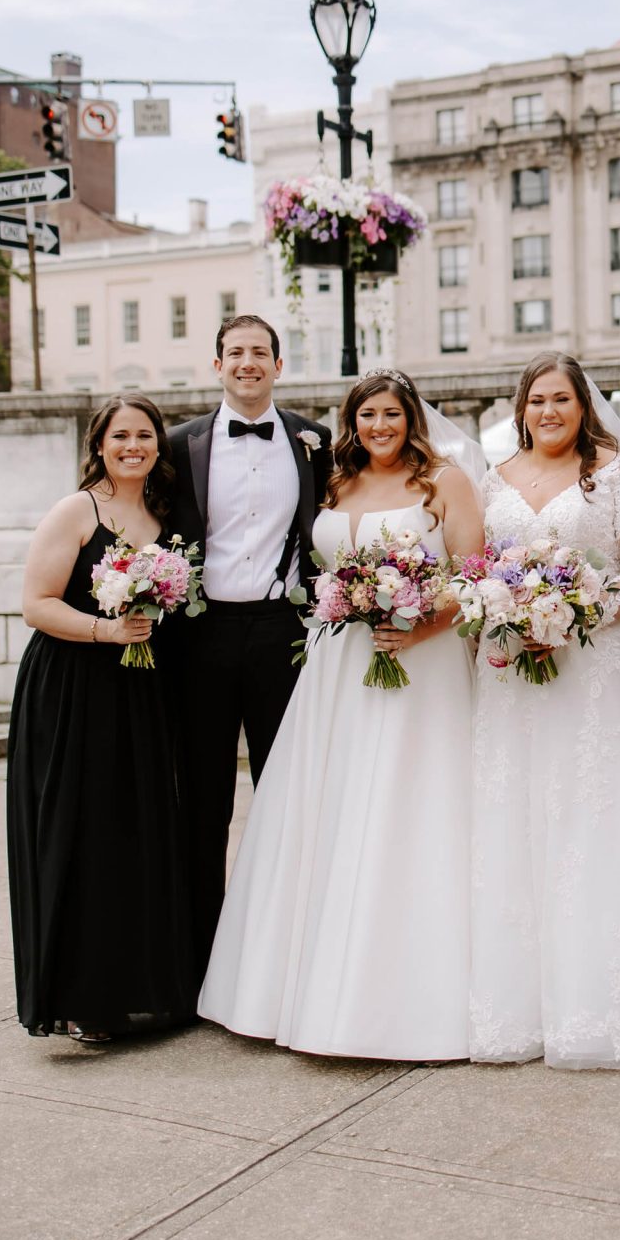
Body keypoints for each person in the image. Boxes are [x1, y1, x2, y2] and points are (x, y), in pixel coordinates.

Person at [198, 369, 485, 1060]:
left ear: (410, 417)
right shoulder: (332, 481)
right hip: (335, 669)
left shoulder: (444, 481)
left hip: (424, 665)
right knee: (328, 810)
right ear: (350, 422)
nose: (378, 427)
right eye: (366, 416)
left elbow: (475, 573)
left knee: (408, 811)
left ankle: (403, 997)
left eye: (390, 414)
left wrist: (417, 625)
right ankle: (296, 986)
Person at [470, 353, 620, 1071]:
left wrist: (571, 614)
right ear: (520, 408)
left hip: (598, 668)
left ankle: (608, 996)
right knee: (521, 820)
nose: (548, 411)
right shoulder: (496, 478)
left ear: (584, 407)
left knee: (596, 816)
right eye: (537, 400)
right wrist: (511, 616)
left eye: (562, 400)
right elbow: (482, 568)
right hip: (516, 676)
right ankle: (526, 993)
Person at [6, 395, 194, 1043]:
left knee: (134, 832)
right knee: (80, 833)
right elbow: (35, 603)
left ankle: (141, 986)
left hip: (137, 694)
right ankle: (84, 996)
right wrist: (104, 630)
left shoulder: (160, 515)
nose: (134, 445)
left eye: (145, 435)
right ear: (100, 443)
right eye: (121, 436)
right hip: (72, 689)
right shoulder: (77, 510)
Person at [168, 314, 331, 985]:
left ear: (278, 365)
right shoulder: (181, 446)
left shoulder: (312, 441)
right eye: (235, 353)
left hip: (282, 636)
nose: (247, 364)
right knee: (202, 798)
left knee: (284, 791)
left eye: (259, 353)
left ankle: (276, 954)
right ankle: (201, 952)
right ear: (217, 366)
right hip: (201, 636)